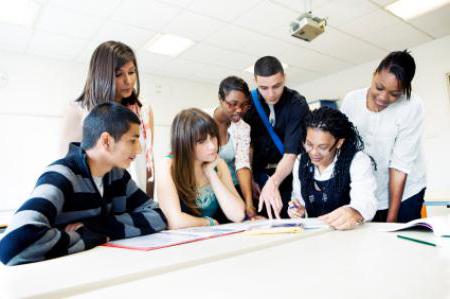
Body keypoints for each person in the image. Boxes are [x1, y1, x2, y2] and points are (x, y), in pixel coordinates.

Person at [0, 103, 166, 266]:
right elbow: (13, 245)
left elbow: (157, 216)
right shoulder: (61, 175)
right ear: (107, 141)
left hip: (101, 268)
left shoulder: (118, 175)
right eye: (133, 140)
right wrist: (91, 235)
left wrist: (94, 228)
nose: (138, 150)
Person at [60, 40, 155, 196]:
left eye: (131, 72)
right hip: (94, 201)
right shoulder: (78, 111)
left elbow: (148, 160)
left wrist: (149, 199)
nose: (128, 81)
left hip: (135, 198)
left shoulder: (144, 110)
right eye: (119, 74)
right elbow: (66, 167)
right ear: (102, 76)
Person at [341, 50, 426, 223]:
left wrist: (391, 221)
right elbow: (343, 150)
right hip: (367, 187)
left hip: (405, 191)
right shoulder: (351, 101)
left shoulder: (412, 106)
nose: (383, 97)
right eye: (379, 87)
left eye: (395, 94)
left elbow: (399, 166)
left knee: (400, 241)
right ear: (374, 74)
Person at [288, 107, 377, 230]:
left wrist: (355, 212)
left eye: (322, 147)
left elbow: (367, 202)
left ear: (339, 142)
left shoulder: (357, 161)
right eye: (309, 144)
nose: (313, 153)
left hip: (350, 235)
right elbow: (298, 199)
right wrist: (297, 210)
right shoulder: (300, 162)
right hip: (316, 235)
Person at [156, 108, 245, 229]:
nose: (212, 146)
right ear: (184, 142)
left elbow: (238, 214)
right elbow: (174, 222)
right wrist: (208, 222)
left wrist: (211, 174)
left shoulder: (218, 164)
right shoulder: (167, 166)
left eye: (213, 137)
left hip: (213, 239)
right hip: (181, 241)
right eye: (202, 141)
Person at [244, 56, 310, 219]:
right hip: (258, 178)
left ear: (284, 78)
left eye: (277, 86)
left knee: (289, 222)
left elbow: (291, 154)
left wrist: (273, 182)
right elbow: (247, 145)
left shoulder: (297, 104)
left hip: (288, 176)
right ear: (255, 81)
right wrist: (250, 178)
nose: (271, 94)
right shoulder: (248, 102)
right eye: (263, 88)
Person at [207, 76, 258, 219]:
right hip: (208, 191)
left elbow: (242, 163)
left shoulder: (242, 127)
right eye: (232, 104)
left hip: (234, 189)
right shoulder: (203, 120)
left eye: (244, 105)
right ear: (220, 99)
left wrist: (248, 203)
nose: (239, 110)